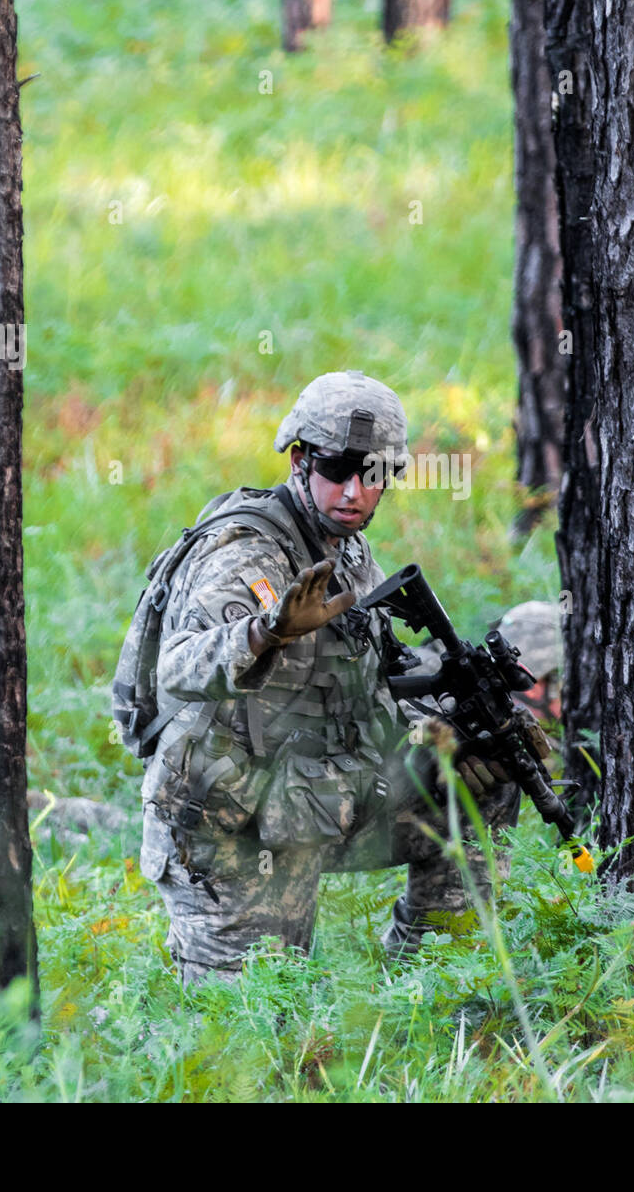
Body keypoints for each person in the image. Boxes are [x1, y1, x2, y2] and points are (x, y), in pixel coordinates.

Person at [137, 370, 547, 984]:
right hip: (230, 830)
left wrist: (457, 717)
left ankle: (432, 984)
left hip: (312, 800)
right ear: (299, 461)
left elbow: (369, 680)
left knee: (476, 780)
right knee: (254, 1022)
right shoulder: (247, 550)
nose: (354, 491)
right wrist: (266, 631)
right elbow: (178, 668)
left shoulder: (347, 548)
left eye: (375, 474)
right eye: (337, 469)